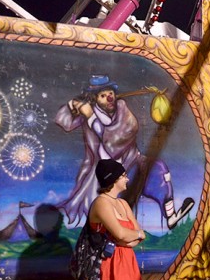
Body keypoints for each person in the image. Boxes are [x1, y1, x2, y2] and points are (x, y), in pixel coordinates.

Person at [55, 74, 194, 229]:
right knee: (110, 207)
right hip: (102, 174)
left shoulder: (121, 109)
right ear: (95, 99)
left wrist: (91, 117)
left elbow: (117, 138)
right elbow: (63, 122)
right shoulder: (89, 112)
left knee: (158, 169)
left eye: (110, 94)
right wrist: (73, 104)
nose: (109, 98)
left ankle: (170, 215)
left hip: (131, 163)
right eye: (103, 95)